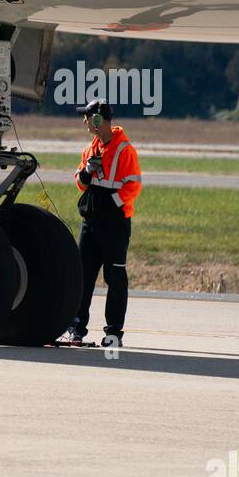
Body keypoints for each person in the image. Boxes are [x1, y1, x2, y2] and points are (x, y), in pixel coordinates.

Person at [61, 96, 142, 348]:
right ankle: (76, 328)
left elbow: (134, 185)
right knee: (82, 275)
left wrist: (112, 203)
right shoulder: (90, 150)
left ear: (97, 119)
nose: (84, 121)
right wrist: (86, 171)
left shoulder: (124, 149)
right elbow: (80, 182)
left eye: (87, 117)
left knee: (115, 276)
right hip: (91, 223)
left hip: (115, 225)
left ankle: (113, 333)